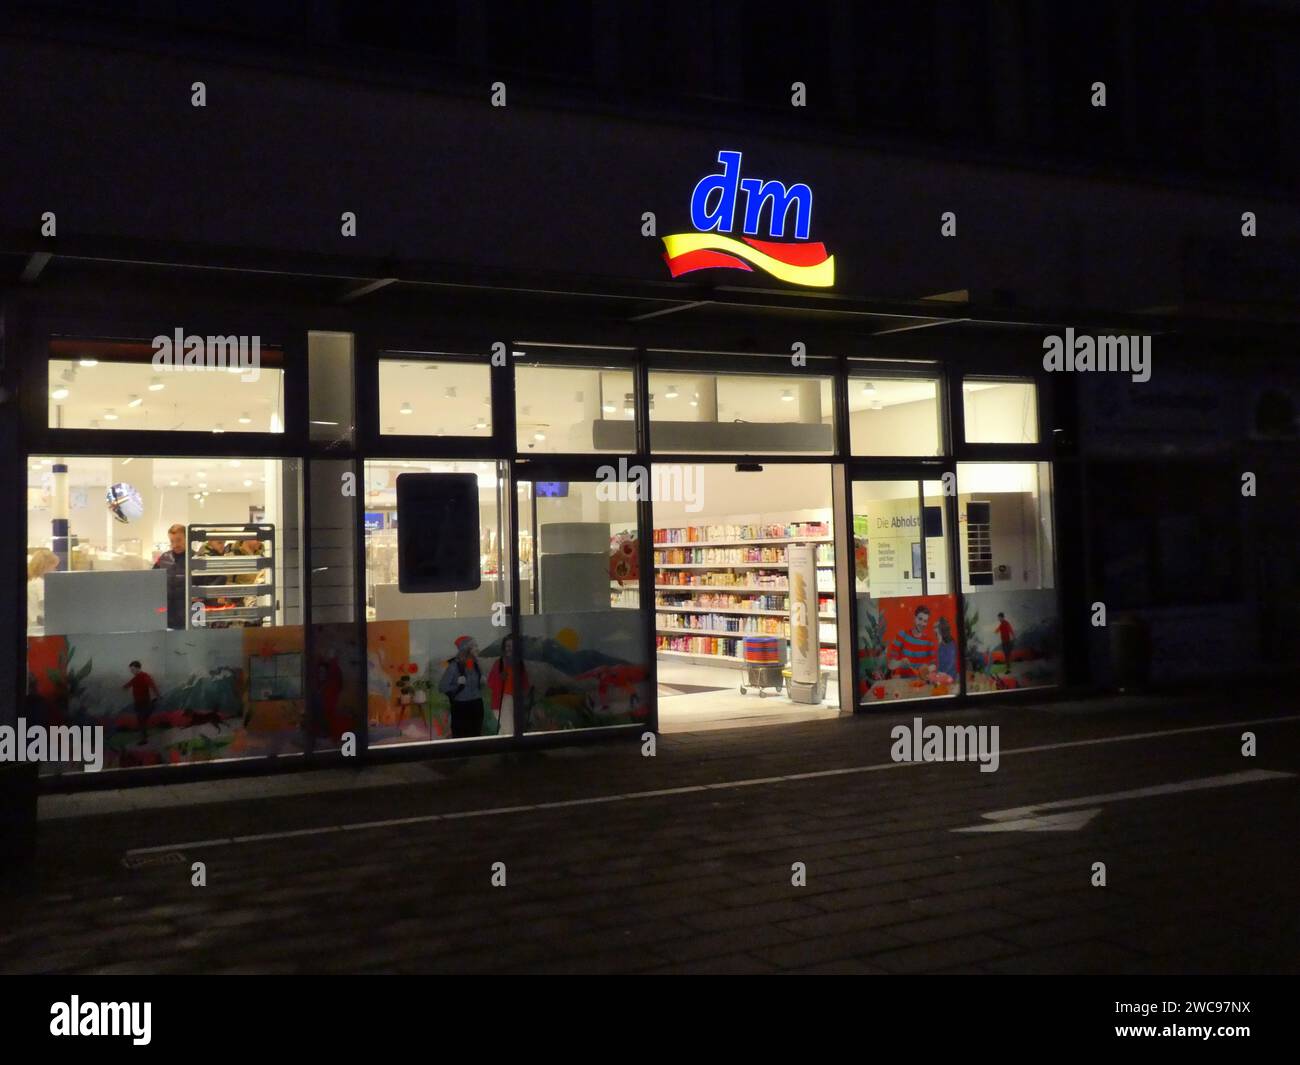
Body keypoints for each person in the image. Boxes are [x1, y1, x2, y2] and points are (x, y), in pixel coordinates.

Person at [438, 635, 484, 739]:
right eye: (474, 646)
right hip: (461, 708)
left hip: (476, 705)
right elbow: (442, 687)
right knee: (461, 737)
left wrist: (482, 681)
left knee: (476, 736)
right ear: (466, 649)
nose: (477, 648)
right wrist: (456, 684)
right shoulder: (454, 666)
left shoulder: (476, 665)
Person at [486, 633, 531, 737]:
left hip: (515, 700)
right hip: (503, 700)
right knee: (510, 730)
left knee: (506, 731)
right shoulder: (499, 663)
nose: (509, 649)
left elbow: (525, 684)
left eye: (512, 646)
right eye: (507, 646)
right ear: (504, 648)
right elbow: (490, 683)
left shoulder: (519, 664)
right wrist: (500, 677)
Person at [152, 524, 188, 629]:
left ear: (187, 538)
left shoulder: (195, 559)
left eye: (179, 540)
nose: (175, 544)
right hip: (166, 615)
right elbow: (153, 579)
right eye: (172, 541)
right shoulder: (164, 558)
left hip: (188, 616)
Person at [887, 604, 937, 677]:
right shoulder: (902, 635)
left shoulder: (929, 641)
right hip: (903, 681)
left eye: (925, 621)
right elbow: (890, 665)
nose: (922, 624)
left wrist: (926, 669)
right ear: (914, 618)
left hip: (921, 681)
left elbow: (934, 665)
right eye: (920, 619)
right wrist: (900, 663)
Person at [123, 660, 161, 745]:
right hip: (138, 703)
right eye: (131, 670)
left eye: (132, 669)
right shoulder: (136, 678)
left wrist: (158, 696)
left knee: (141, 720)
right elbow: (128, 685)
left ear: (137, 668)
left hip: (144, 703)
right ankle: (144, 736)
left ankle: (144, 739)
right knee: (141, 720)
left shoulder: (144, 676)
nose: (131, 671)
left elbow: (152, 685)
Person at [26, 547, 59, 634]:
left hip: (32, 625)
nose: (55, 570)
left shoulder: (32, 581)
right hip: (40, 628)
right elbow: (47, 606)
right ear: (46, 566)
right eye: (54, 567)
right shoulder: (40, 584)